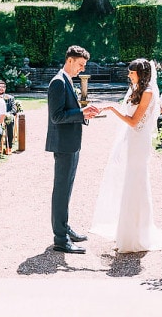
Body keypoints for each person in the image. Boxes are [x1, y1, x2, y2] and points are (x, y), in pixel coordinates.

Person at [89, 59, 162, 253]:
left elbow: (134, 122)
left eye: (132, 73)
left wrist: (113, 109)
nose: (129, 75)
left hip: (139, 143)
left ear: (140, 74)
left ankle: (137, 234)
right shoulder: (137, 90)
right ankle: (126, 231)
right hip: (132, 141)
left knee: (136, 183)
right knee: (129, 183)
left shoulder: (148, 92)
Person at [47, 45, 100, 254]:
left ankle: (64, 228)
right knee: (61, 191)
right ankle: (60, 238)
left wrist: (83, 113)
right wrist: (82, 113)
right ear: (69, 60)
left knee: (66, 189)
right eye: (80, 64)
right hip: (63, 145)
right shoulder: (58, 82)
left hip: (71, 143)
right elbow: (56, 116)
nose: (82, 69)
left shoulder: (67, 80)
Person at [0, 80, 17, 154]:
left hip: (6, 117)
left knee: (10, 122)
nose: (1, 88)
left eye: (3, 87)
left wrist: (7, 114)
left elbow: (14, 109)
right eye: (0, 87)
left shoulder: (10, 98)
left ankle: (8, 147)